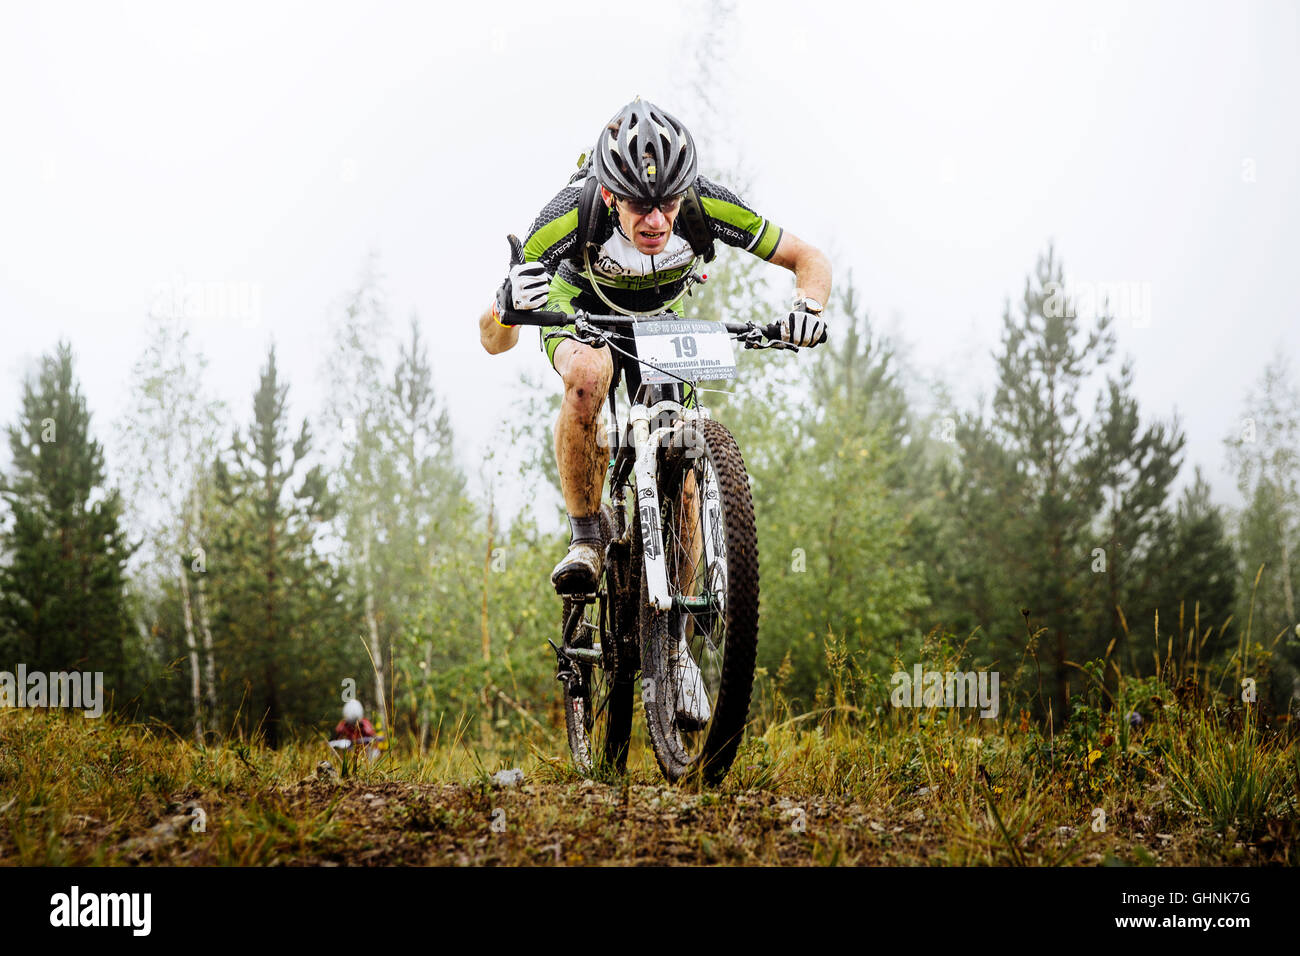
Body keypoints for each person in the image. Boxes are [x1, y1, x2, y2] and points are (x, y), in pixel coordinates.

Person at [479, 98, 831, 597]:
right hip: (581, 304)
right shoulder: (568, 214)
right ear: (607, 194)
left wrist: (808, 309)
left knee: (684, 457)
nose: (656, 221)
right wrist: (503, 307)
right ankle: (585, 540)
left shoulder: (703, 204)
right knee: (587, 376)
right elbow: (494, 341)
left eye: (666, 204)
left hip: (662, 315)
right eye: (639, 205)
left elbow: (808, 257)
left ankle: (675, 647)